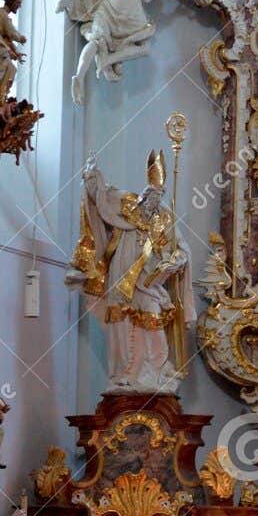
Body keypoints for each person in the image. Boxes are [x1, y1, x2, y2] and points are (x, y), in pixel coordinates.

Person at [66, 149, 195, 394]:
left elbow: (181, 247)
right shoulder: (126, 206)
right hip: (120, 277)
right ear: (144, 194)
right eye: (151, 195)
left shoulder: (164, 219)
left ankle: (154, 372)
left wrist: (176, 260)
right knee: (121, 324)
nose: (153, 201)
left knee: (153, 322)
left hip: (148, 282)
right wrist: (92, 177)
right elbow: (102, 199)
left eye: (158, 197)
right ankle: (123, 375)